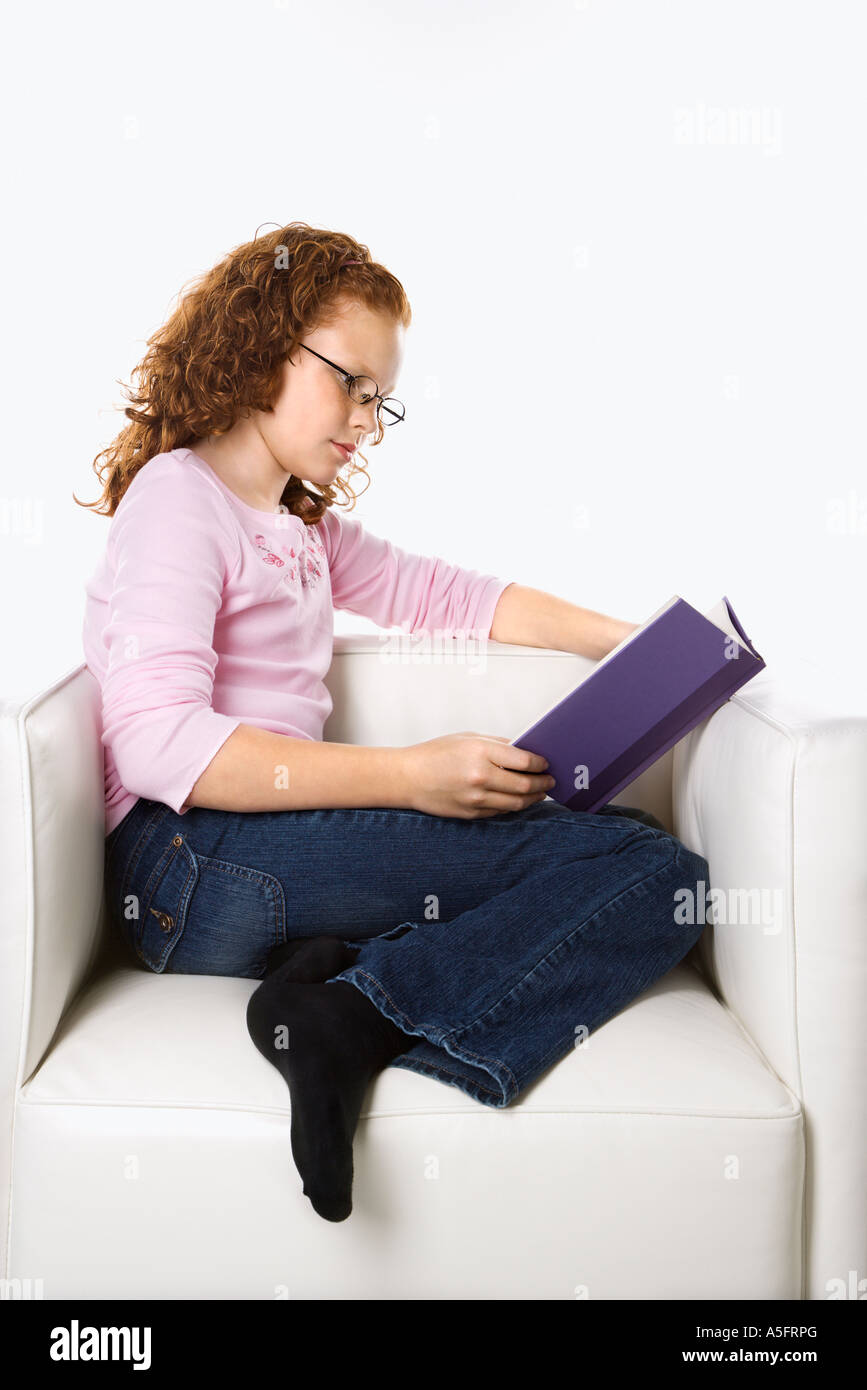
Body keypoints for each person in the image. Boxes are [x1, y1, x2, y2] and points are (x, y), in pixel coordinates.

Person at [80, 221, 710, 1225]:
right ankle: (355, 1014)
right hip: (182, 867)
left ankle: (330, 988)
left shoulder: (296, 526)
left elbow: (446, 593)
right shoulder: (177, 501)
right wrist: (409, 776)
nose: (366, 421)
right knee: (656, 876)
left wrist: (629, 642)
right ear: (263, 347)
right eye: (351, 384)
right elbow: (158, 743)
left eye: (382, 400)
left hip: (248, 855)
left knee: (640, 856)